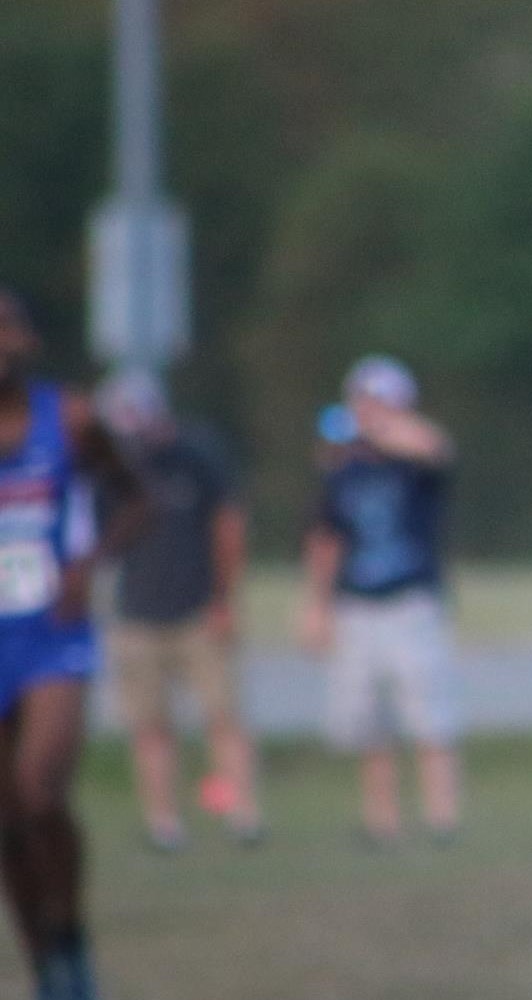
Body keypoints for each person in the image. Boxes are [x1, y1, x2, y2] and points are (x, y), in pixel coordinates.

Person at [0, 286, 149, 1000]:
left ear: (22, 342)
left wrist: (89, 565)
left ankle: (70, 928)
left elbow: (138, 500)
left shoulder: (73, 418)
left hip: (50, 635)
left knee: (39, 795)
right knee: (6, 821)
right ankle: (47, 964)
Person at [298, 355, 461, 847]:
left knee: (429, 717)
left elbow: (436, 448)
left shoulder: (416, 462)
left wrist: (376, 428)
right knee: (368, 723)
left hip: (410, 601)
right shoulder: (343, 470)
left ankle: (442, 819)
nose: (365, 411)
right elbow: (326, 540)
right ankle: (382, 821)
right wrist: (316, 605)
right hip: (357, 605)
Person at [96, 371, 262, 851]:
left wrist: (224, 599)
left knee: (223, 716)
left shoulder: (195, 458)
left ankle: (242, 815)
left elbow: (228, 525)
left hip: (198, 610)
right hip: (136, 616)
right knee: (149, 726)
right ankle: (164, 824)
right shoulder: (112, 475)